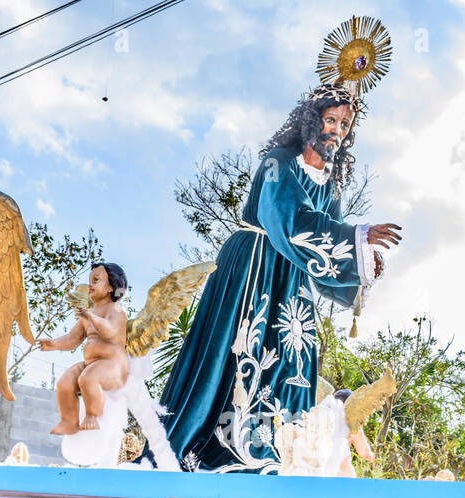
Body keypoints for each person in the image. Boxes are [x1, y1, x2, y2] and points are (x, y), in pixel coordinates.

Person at [153, 83, 400, 472]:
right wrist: (356, 236)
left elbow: (327, 235)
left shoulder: (329, 182)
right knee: (239, 352)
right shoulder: (278, 162)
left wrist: (361, 259)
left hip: (291, 276)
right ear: (311, 119)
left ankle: (282, 447)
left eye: (345, 124)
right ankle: (229, 448)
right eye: (330, 119)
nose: (337, 129)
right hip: (255, 263)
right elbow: (282, 220)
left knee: (291, 355)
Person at [41, 262, 130, 434]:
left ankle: (92, 416)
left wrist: (91, 317)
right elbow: (73, 338)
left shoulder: (117, 310)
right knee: (65, 382)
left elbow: (110, 331)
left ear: (111, 286)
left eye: (96, 280)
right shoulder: (88, 314)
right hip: (91, 364)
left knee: (87, 379)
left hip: (114, 366)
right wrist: (54, 344)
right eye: (90, 280)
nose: (90, 284)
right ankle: (68, 421)